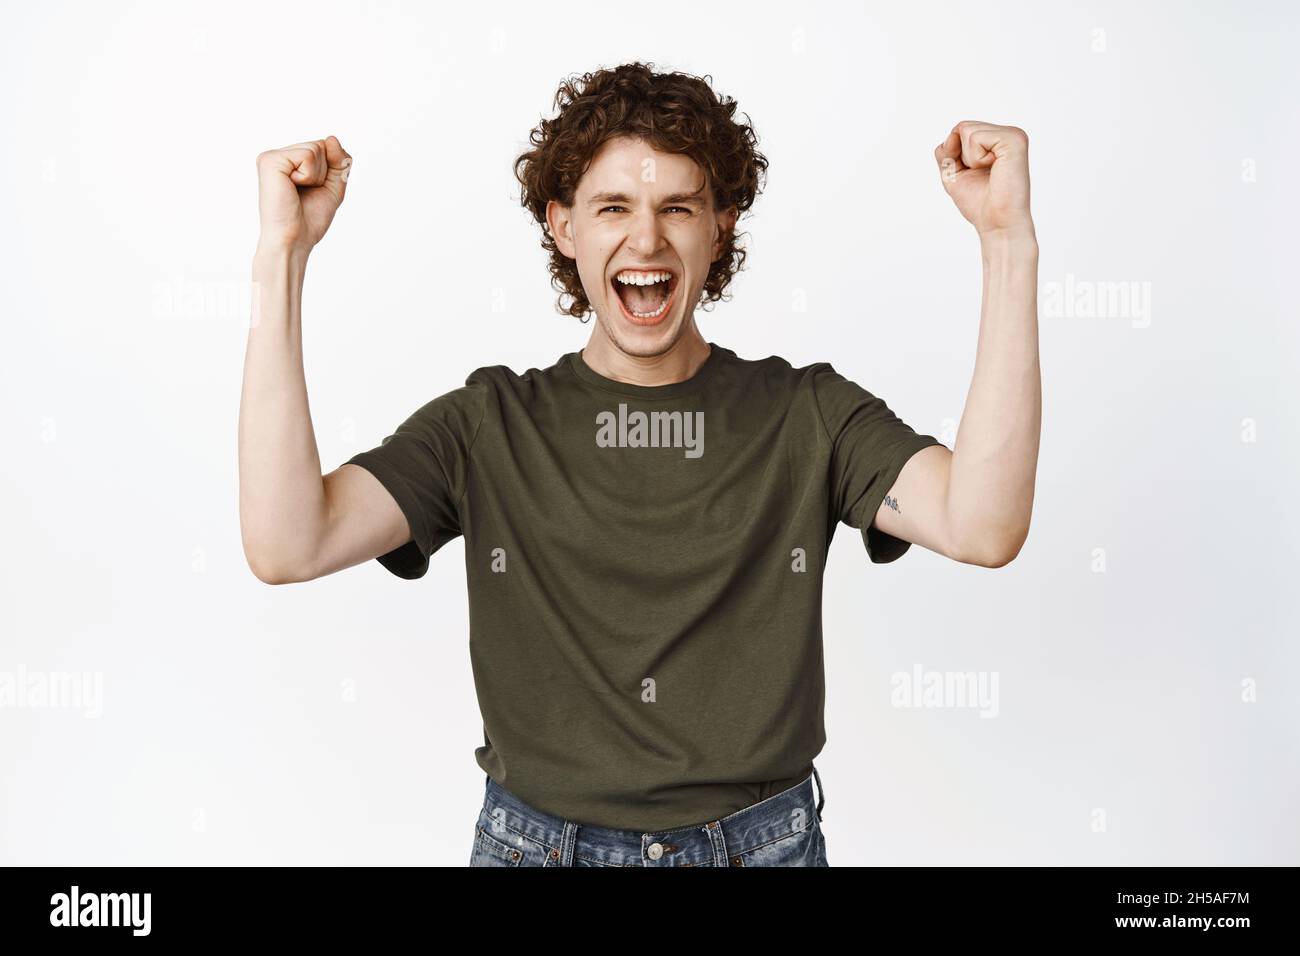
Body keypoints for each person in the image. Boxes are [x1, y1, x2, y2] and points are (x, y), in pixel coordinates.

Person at [238, 62, 1040, 867]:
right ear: (563, 227)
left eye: (678, 208)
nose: (647, 239)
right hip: (536, 848)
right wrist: (283, 254)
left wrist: (1008, 242)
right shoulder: (487, 425)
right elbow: (289, 544)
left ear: (720, 225)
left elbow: (982, 525)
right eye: (612, 207)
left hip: (761, 847)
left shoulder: (809, 415)